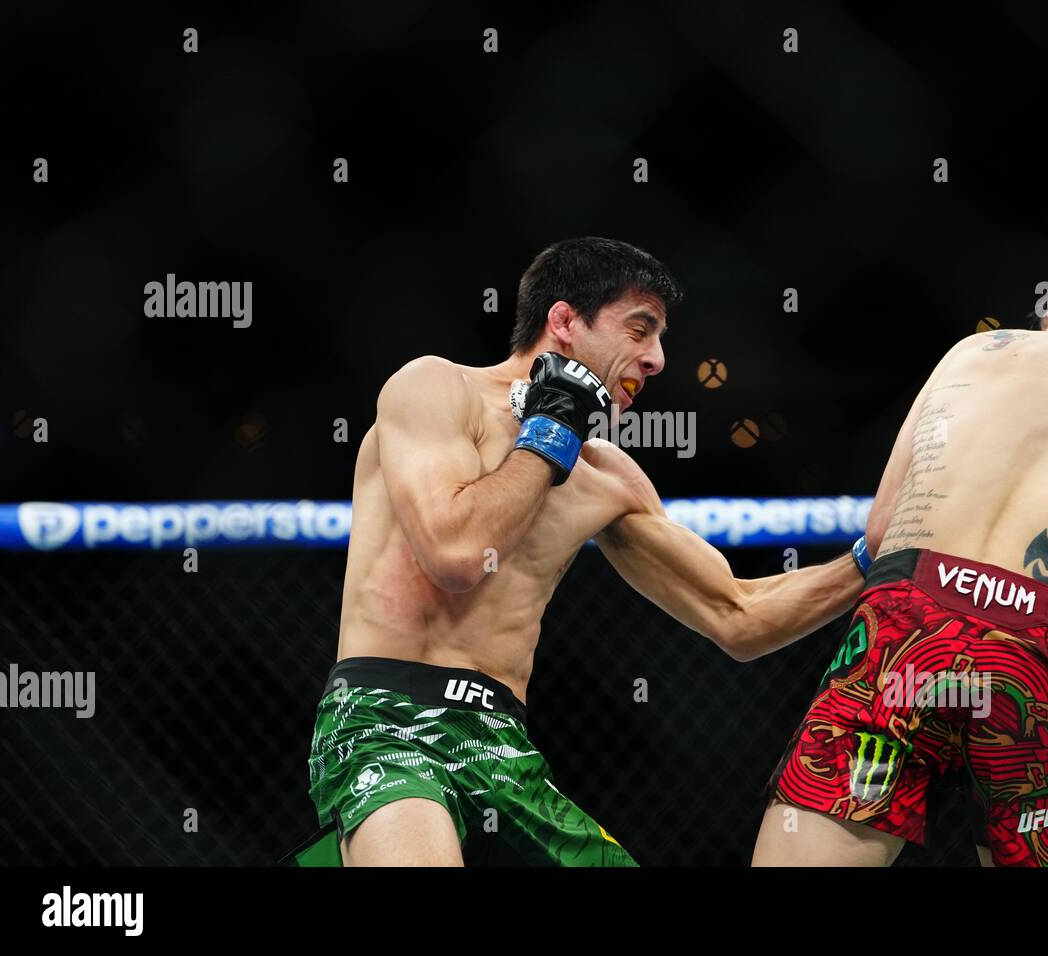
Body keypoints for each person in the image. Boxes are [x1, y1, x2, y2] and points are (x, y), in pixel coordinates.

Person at [294, 237, 867, 867]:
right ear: (564, 321)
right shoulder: (435, 389)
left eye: (659, 339)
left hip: (503, 745)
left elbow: (740, 616)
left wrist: (880, 559)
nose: (655, 360)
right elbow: (455, 554)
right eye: (640, 329)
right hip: (384, 721)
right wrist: (551, 433)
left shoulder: (608, 479)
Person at [753, 254, 1048, 867]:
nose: (1042, 324)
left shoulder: (983, 352)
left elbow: (883, 529)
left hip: (905, 629)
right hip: (1038, 657)